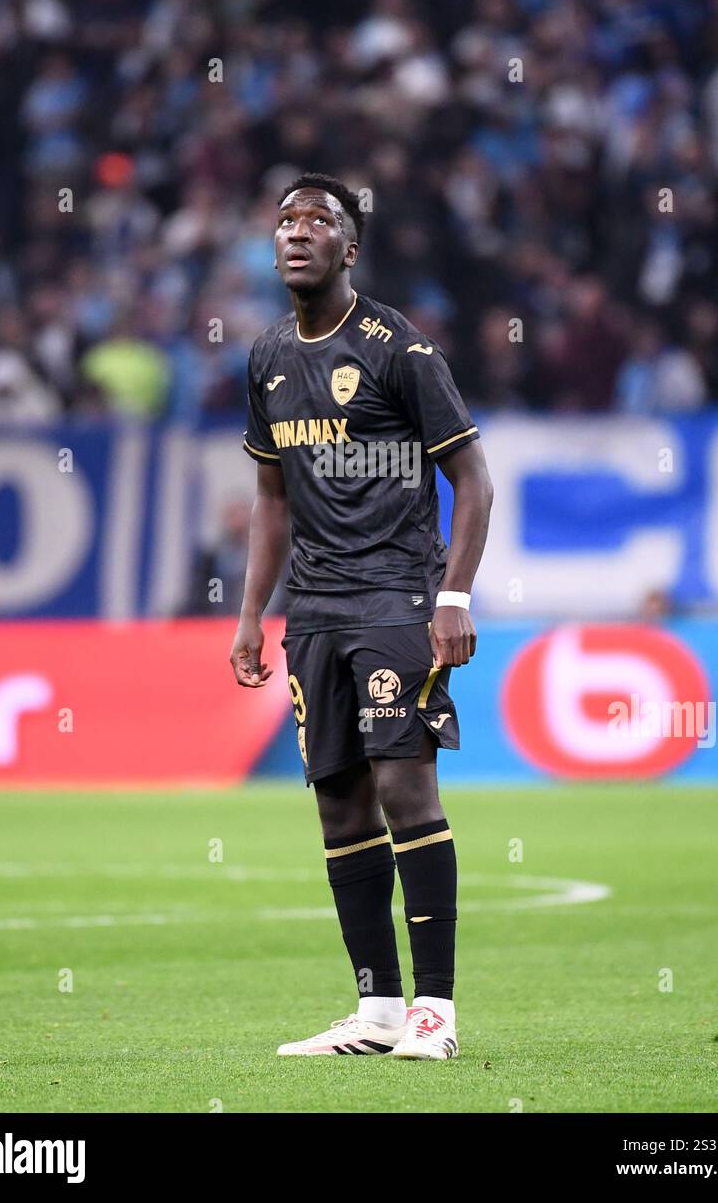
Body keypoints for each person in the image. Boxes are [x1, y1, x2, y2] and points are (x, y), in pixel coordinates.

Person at [230, 173, 493, 1059]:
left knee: (402, 787)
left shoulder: (398, 351)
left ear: (351, 247)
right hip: (313, 613)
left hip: (395, 600)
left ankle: (436, 1012)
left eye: (320, 222)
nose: (297, 233)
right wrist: (248, 616)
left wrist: (451, 596)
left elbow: (474, 479)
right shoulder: (266, 357)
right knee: (340, 811)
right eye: (285, 222)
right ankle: (377, 1012)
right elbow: (270, 501)